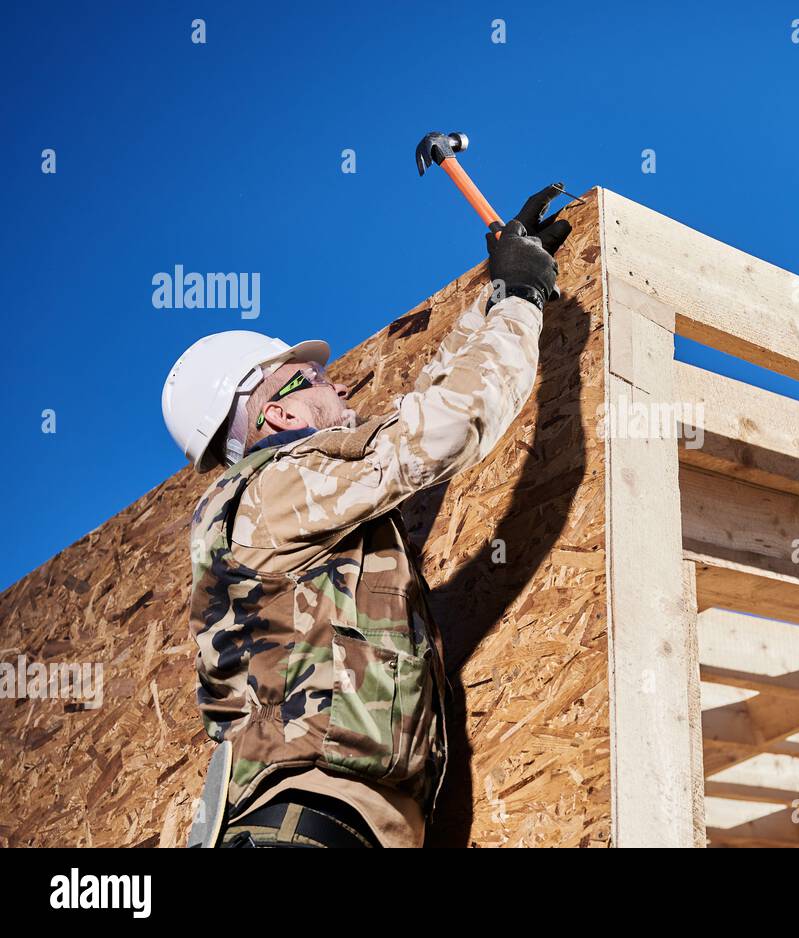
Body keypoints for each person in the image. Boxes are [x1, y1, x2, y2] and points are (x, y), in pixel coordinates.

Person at [159, 185, 572, 847]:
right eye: (315, 378)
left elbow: (419, 413)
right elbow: (442, 427)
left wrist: (498, 292)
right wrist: (522, 299)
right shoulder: (279, 486)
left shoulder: (272, 506)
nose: (341, 382)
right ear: (281, 414)